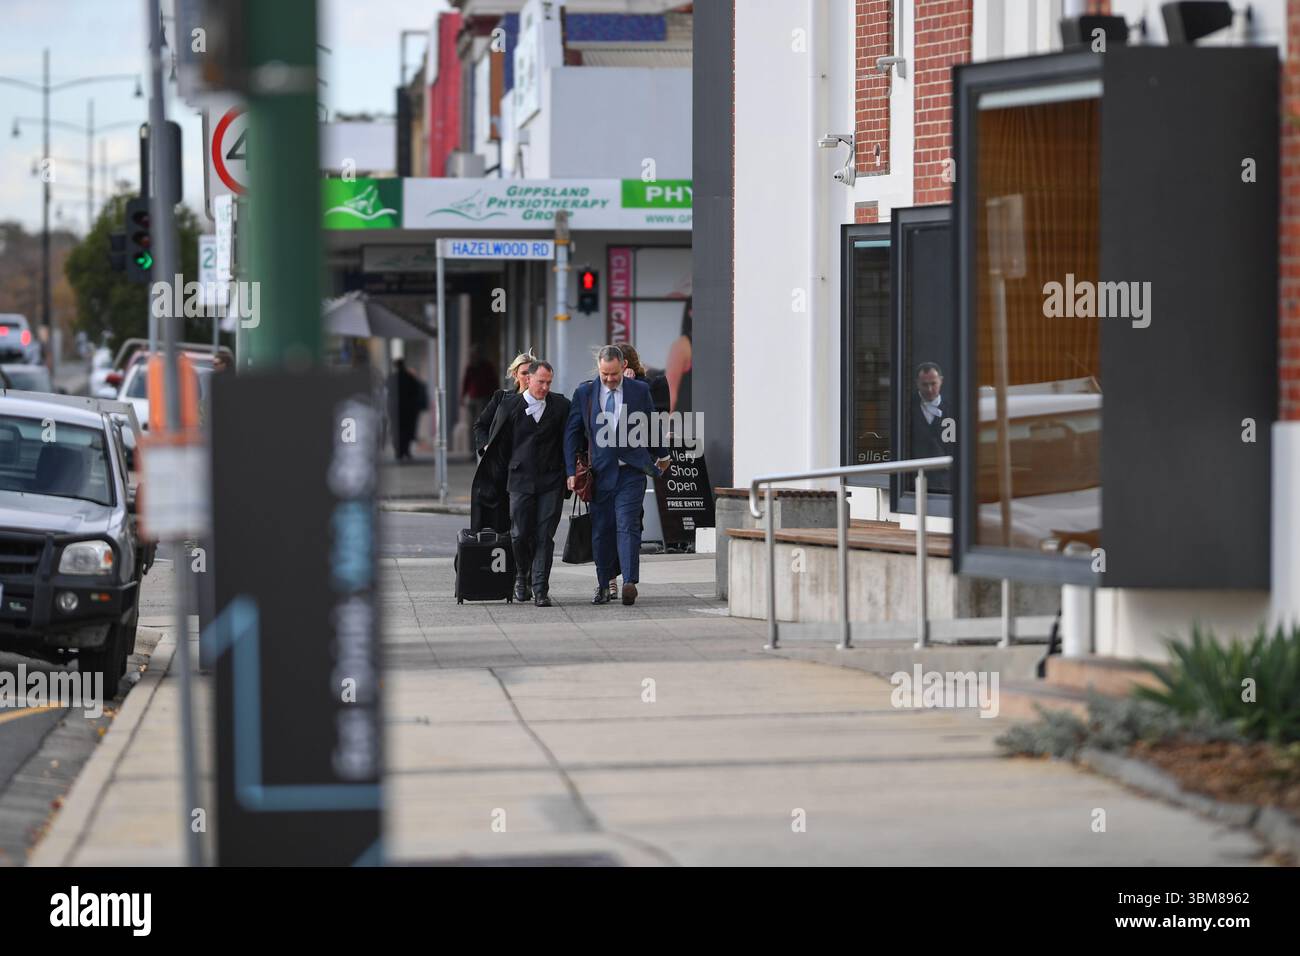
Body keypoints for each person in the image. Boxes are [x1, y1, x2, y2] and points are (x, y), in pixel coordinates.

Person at [564, 345, 671, 607]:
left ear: (623, 367)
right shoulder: (585, 393)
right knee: (602, 530)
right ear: (598, 368)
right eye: (604, 374)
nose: (609, 379)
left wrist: (662, 455)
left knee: (628, 524)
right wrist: (570, 471)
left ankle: (628, 582)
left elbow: (651, 424)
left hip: (631, 471)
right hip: (599, 473)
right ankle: (602, 585)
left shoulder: (639, 391)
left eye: (613, 374)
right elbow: (572, 433)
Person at [475, 361, 571, 606]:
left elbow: (571, 439)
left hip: (551, 480)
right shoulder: (510, 406)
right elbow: (498, 445)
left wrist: (571, 472)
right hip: (519, 480)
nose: (545, 387)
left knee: (544, 535)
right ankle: (522, 576)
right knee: (518, 534)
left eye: (549, 382)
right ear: (528, 379)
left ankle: (540, 589)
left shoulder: (561, 405)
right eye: (541, 382)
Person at [911, 361, 951, 491]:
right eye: (924, 385)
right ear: (917, 382)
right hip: (913, 482)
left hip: (945, 483)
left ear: (941, 381)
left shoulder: (954, 408)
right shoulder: (906, 408)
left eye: (933, 384)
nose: (929, 389)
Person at [388, 358, 427, 462]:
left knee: (397, 431)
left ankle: (399, 451)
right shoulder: (410, 378)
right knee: (407, 431)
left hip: (396, 410)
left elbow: (388, 394)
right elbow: (416, 393)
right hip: (408, 410)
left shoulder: (392, 378)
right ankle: (405, 451)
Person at [461, 347, 498, 436]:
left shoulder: (487, 366)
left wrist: (496, 396)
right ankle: (473, 444)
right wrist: (462, 396)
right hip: (473, 397)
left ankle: (480, 441)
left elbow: (494, 381)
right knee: (473, 421)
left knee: (480, 420)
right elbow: (466, 382)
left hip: (483, 397)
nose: (475, 356)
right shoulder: (471, 367)